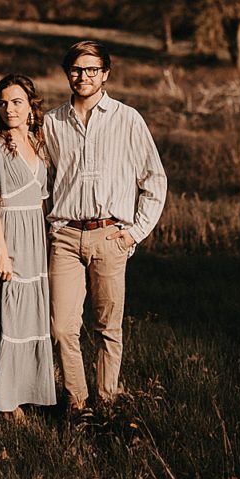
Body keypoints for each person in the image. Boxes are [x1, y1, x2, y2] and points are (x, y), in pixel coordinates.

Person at [43, 40, 168, 412]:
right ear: (67, 73)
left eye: (91, 70)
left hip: (111, 235)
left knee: (107, 328)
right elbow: (42, 178)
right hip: (65, 235)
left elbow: (154, 179)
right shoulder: (52, 122)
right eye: (76, 69)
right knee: (61, 327)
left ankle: (107, 404)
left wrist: (134, 233)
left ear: (105, 74)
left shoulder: (127, 119)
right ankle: (77, 402)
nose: (83, 76)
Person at [0, 73, 57, 432]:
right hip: (7, 238)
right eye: (3, 103)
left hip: (35, 240)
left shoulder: (39, 142)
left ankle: (11, 399)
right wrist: (1, 252)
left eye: (17, 102)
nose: (9, 109)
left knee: (24, 322)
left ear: (31, 106)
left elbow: (42, 202)